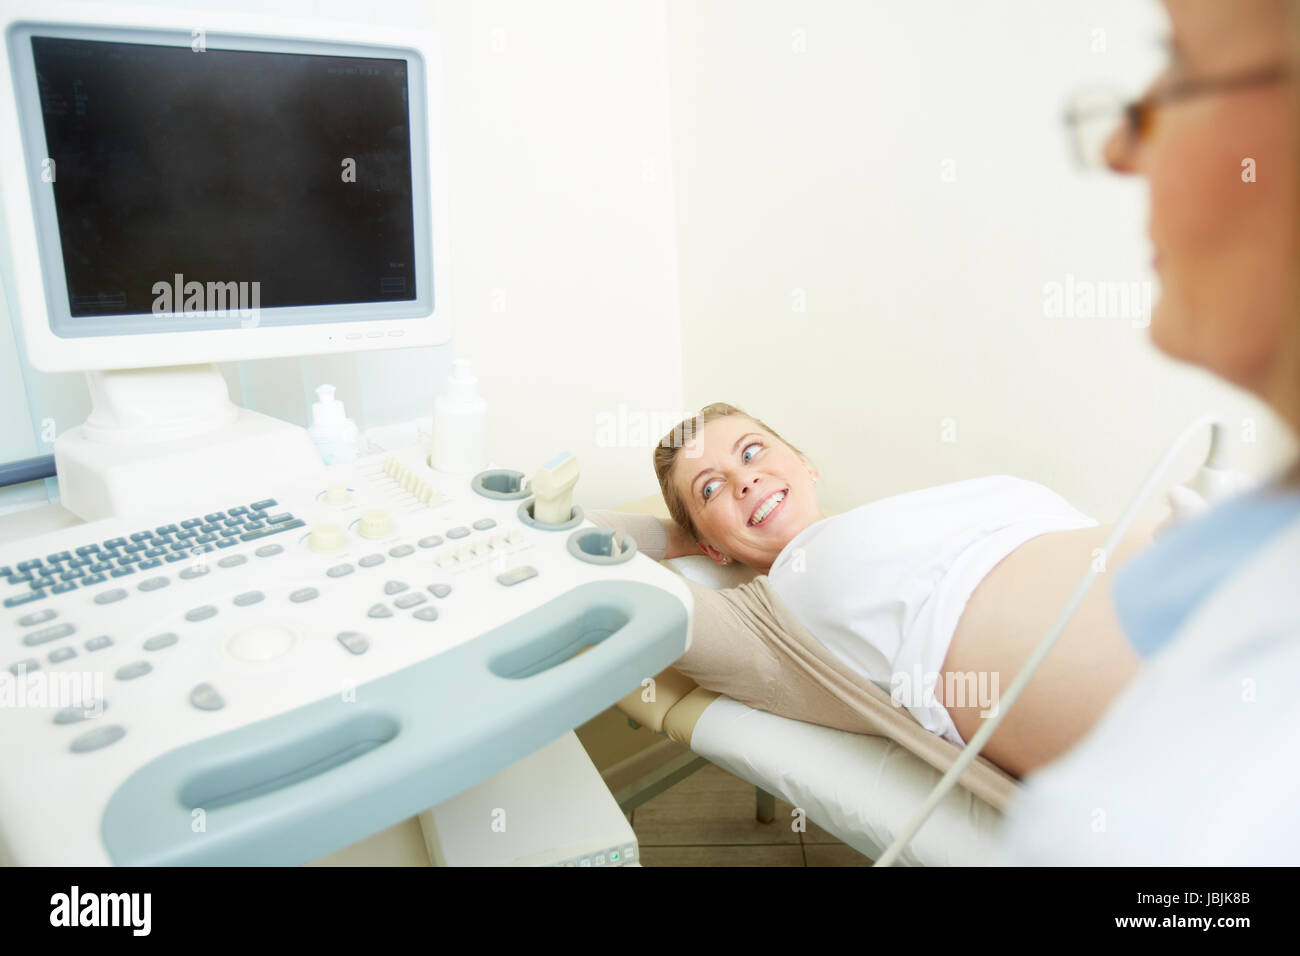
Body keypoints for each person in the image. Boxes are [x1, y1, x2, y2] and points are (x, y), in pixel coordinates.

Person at [993, 0, 1300, 864]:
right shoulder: (796, 586)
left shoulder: (1173, 833)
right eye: (706, 489)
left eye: (1180, 60)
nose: (1118, 148)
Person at [590, 402, 1157, 790]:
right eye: (710, 487)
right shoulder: (764, 621)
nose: (745, 479)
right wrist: (683, 536)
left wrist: (714, 516)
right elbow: (579, 546)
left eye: (752, 451)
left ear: (805, 463)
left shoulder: (908, 511)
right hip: (1136, 683)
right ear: (710, 549)